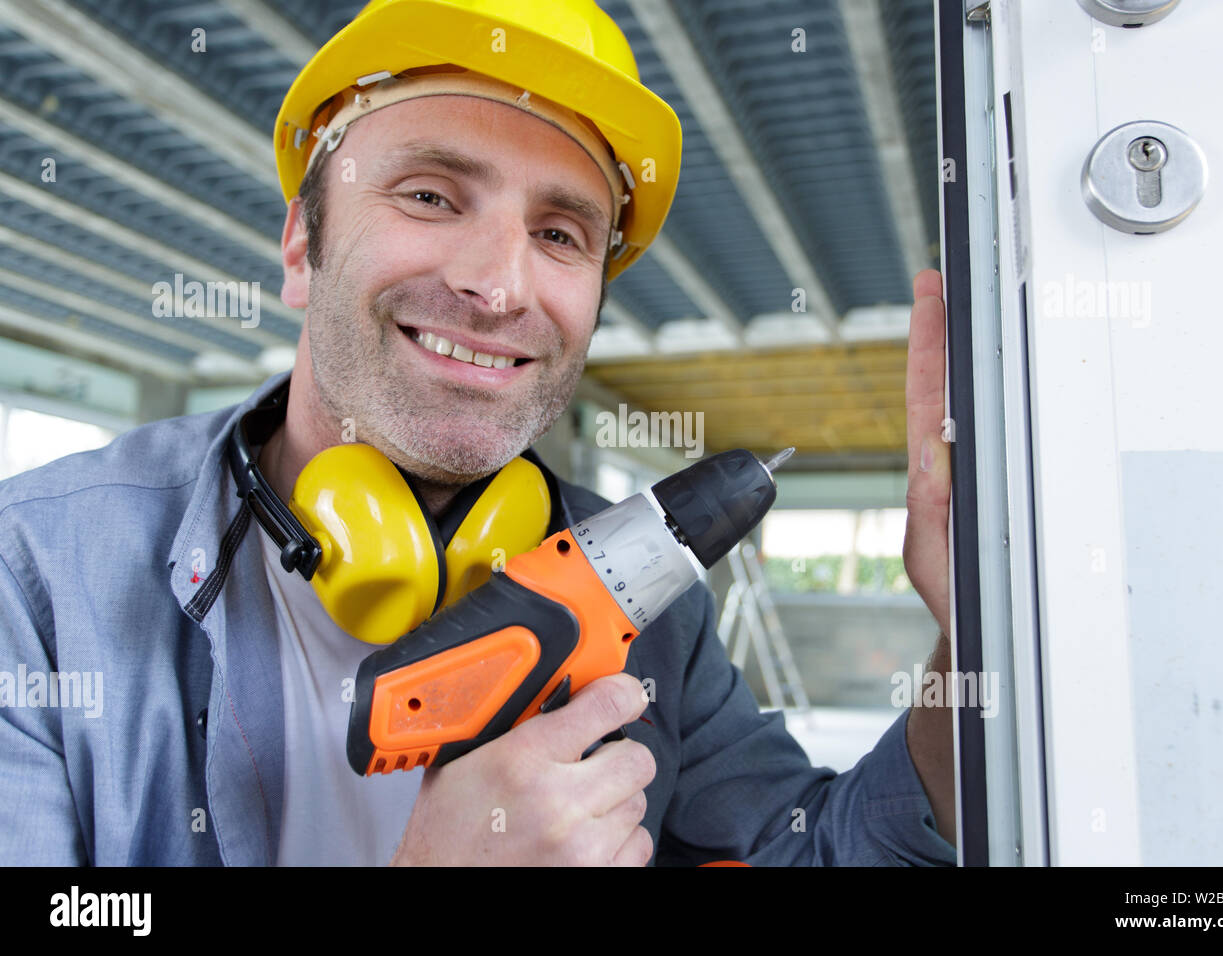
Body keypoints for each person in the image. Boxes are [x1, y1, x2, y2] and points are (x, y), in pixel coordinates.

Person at [0, 0, 957, 866]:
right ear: (302, 248)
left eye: (559, 234)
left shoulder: (644, 601)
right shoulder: (39, 576)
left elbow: (826, 855)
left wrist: (977, 632)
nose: (496, 288)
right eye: (429, 195)